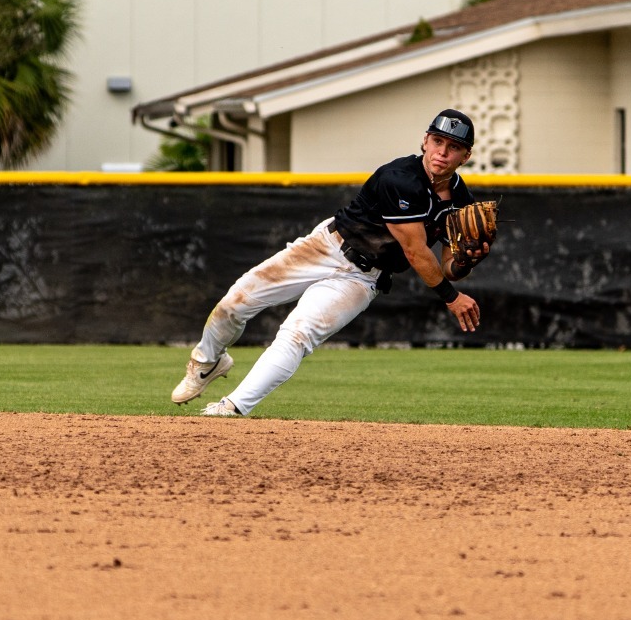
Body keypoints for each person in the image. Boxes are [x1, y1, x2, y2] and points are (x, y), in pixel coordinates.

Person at [172, 109, 487, 417]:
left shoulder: (462, 202)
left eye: (453, 147)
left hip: (363, 279)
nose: (442, 152)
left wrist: (465, 262)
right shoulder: (401, 179)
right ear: (425, 141)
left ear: (466, 156)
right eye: (437, 141)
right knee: (234, 302)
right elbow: (416, 252)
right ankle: (206, 362)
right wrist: (451, 298)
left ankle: (232, 408)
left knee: (297, 334)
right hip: (326, 247)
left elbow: (449, 267)